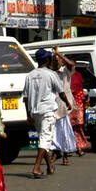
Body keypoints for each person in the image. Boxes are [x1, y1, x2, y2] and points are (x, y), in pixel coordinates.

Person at [23, 48, 68, 177]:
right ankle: (36, 168)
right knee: (45, 139)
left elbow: (25, 98)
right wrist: (68, 103)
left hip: (34, 112)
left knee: (43, 139)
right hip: (47, 111)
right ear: (47, 60)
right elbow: (61, 92)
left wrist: (28, 115)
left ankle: (50, 166)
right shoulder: (51, 74)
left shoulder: (29, 75)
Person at [49, 48, 77, 165]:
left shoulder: (65, 71)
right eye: (54, 60)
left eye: (58, 60)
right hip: (53, 106)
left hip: (64, 106)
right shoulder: (49, 73)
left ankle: (66, 154)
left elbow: (72, 64)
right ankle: (56, 152)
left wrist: (58, 54)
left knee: (65, 131)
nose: (56, 62)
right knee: (53, 131)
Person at [68, 61, 89, 154]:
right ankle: (68, 149)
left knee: (78, 126)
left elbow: (79, 88)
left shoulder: (78, 75)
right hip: (67, 103)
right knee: (67, 126)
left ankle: (78, 147)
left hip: (77, 103)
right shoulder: (64, 75)